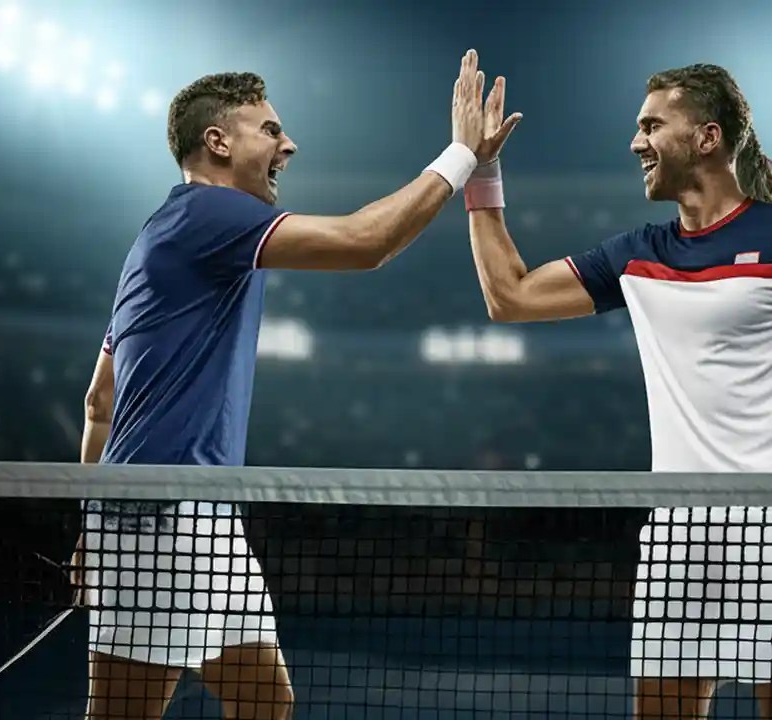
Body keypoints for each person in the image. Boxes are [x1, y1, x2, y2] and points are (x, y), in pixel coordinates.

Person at [462, 65, 772, 719]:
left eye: (651, 125)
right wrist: (480, 173)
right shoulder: (638, 253)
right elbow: (511, 296)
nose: (635, 142)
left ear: (707, 136)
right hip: (675, 534)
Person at [76, 50, 511, 720]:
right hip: (161, 518)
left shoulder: (157, 237)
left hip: (195, 517)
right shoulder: (205, 216)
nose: (290, 143)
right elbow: (364, 242)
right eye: (270, 130)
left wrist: (88, 516)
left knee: (266, 706)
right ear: (217, 142)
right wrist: (460, 156)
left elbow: (98, 401)